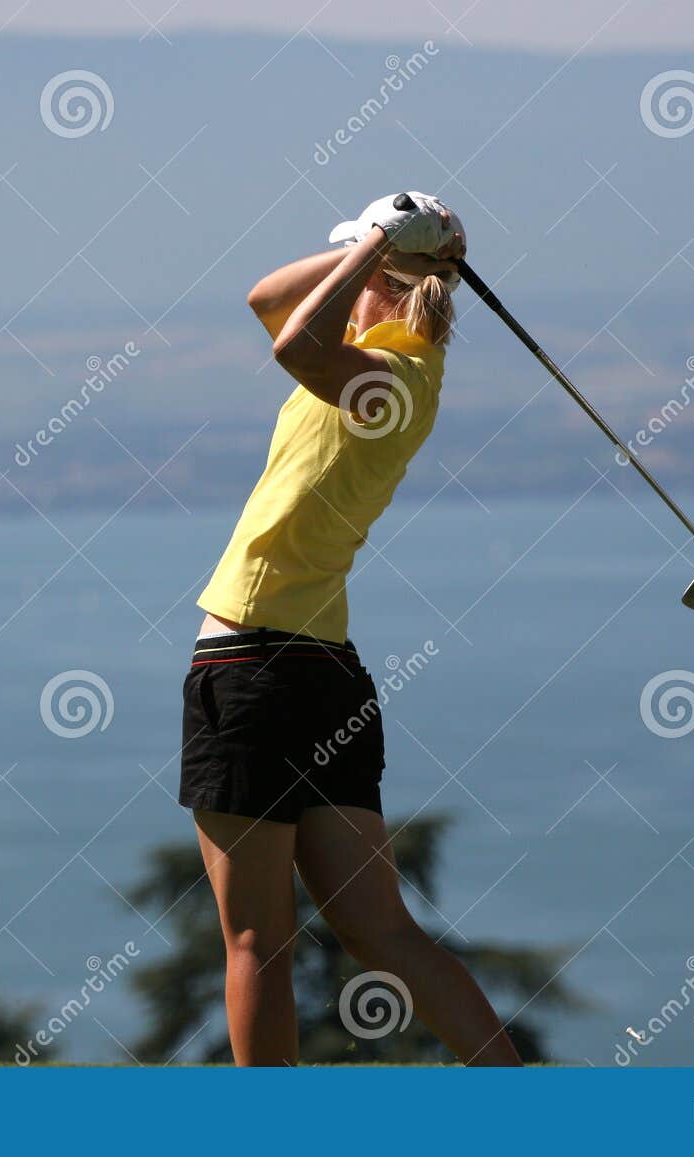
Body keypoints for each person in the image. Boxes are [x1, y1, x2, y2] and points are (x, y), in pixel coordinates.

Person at [179, 192, 522, 1066]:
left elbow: (292, 337)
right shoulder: (399, 365)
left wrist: (372, 246)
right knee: (382, 934)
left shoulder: (389, 382)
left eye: (360, 273)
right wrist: (376, 248)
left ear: (385, 287)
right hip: (324, 669)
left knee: (257, 939)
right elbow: (266, 299)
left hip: (252, 660)